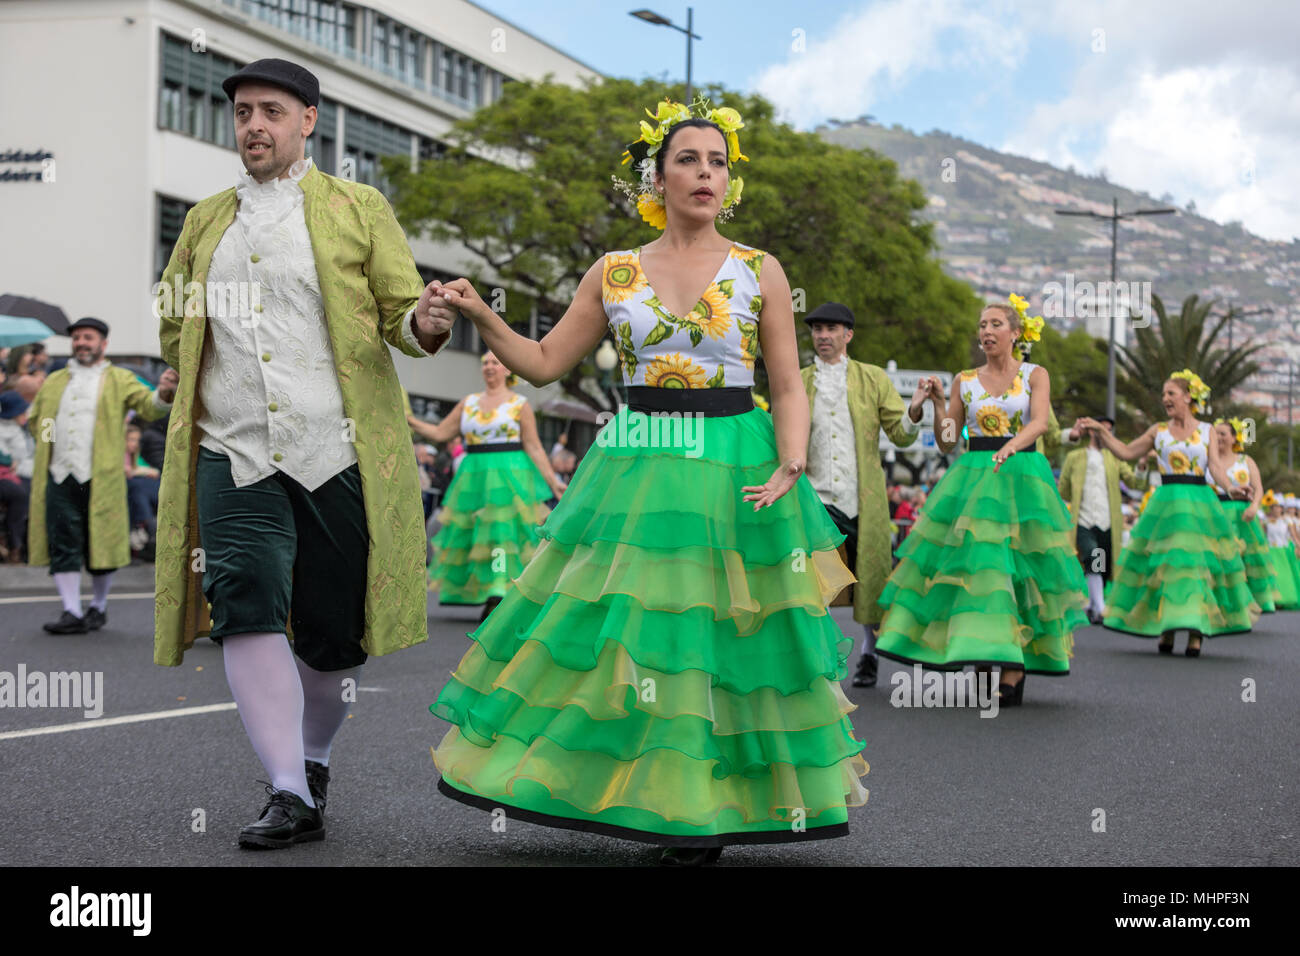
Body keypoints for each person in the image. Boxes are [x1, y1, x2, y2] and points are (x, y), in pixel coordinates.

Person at [426, 98, 862, 865]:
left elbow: (788, 385)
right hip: (639, 454)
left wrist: (792, 461)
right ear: (655, 178)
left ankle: (706, 802)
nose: (705, 174)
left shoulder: (761, 269)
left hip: (736, 457)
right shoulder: (615, 270)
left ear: (731, 181)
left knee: (729, 634)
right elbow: (544, 362)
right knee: (635, 630)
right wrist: (480, 317)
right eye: (688, 160)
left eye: (718, 162)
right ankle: (652, 795)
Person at [152, 57, 454, 849]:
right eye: (244, 112)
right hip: (233, 446)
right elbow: (174, 318)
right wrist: (175, 370)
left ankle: (313, 759)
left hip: (336, 448)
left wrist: (426, 322)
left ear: (308, 121)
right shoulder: (204, 220)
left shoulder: (359, 207)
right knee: (244, 597)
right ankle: (288, 790)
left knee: (331, 635)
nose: (254, 125)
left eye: (271, 112)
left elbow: (401, 317)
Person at [875, 295, 1087, 705]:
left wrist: (1011, 447)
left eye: (994, 324)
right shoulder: (964, 380)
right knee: (976, 567)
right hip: (973, 474)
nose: (986, 332)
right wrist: (938, 404)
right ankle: (983, 654)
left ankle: (1012, 667)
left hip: (1021, 475)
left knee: (1020, 568)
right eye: (982, 325)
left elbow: (1040, 421)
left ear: (1015, 333)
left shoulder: (1034, 375)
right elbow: (949, 440)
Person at [800, 301, 936, 690]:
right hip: (814, 499)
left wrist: (914, 408)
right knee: (815, 583)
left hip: (864, 500)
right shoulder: (798, 381)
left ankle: (869, 653)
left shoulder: (873, 378)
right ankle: (820, 659)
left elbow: (901, 434)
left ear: (848, 334)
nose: (823, 336)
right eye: (817, 329)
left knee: (870, 581)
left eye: (831, 329)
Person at [1077, 370, 1258, 655]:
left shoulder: (1206, 429)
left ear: (1188, 396)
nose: (1165, 399)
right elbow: (1126, 452)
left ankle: (1196, 631)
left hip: (1199, 504)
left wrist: (1231, 488)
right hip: (1166, 504)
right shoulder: (1158, 430)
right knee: (1168, 566)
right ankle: (1169, 627)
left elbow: (1215, 466)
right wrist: (1101, 432)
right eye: (1164, 394)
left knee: (1196, 566)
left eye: (1171, 393)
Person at [26, 318, 176, 631]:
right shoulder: (54, 380)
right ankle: (72, 611)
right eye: (77, 337)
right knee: (62, 540)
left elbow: (148, 408)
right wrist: (50, 439)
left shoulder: (119, 378)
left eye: (88, 337)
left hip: (102, 477)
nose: (82, 342)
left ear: (103, 344)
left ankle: (98, 606)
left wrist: (163, 393)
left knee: (101, 542)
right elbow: (37, 420)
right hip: (58, 474)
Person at [409, 352, 564, 623]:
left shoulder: (519, 404)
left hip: (509, 478)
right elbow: (439, 433)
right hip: (474, 478)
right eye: (485, 363)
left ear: (507, 369)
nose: (489, 367)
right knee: (478, 536)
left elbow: (535, 446)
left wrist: (554, 481)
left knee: (502, 537)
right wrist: (408, 419)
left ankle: (499, 591)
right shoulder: (468, 403)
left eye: (495, 362)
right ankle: (491, 590)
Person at [1058, 415, 1148, 624]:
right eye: (1102, 430)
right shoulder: (1075, 457)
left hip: (1109, 521)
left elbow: (1135, 482)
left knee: (1103, 565)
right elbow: (1063, 489)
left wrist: (1142, 465)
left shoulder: (1114, 458)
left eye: (1109, 431)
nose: (1105, 435)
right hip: (1084, 519)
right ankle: (1099, 607)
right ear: (1091, 431)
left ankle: (1091, 603)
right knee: (1093, 556)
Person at [1209, 418, 1278, 613]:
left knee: (1245, 560)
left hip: (1242, 515)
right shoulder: (1208, 460)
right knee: (1219, 559)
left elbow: (1258, 488)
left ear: (1234, 437)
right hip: (1215, 513)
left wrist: (1254, 506)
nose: (1219, 437)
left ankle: (1248, 604)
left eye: (1223, 433)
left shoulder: (1245, 461)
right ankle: (1222, 603)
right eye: (1216, 433)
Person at [0, 390, 35, 563]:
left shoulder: (25, 428)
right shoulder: (3, 429)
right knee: (23, 494)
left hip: (28, 472)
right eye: (21, 412)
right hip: (14, 476)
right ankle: (16, 546)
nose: (25, 414)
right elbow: (7, 459)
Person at [1262, 493, 1300, 610]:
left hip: (1283, 552)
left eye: (1279, 506)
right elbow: (1263, 536)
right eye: (1274, 506)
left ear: (1282, 508)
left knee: (1284, 576)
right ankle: (1273, 601)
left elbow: (1294, 536)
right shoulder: (1265, 520)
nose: (1276, 509)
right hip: (1271, 552)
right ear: (1271, 508)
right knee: (1272, 576)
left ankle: (1284, 599)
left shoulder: (1287, 520)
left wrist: (1298, 547)